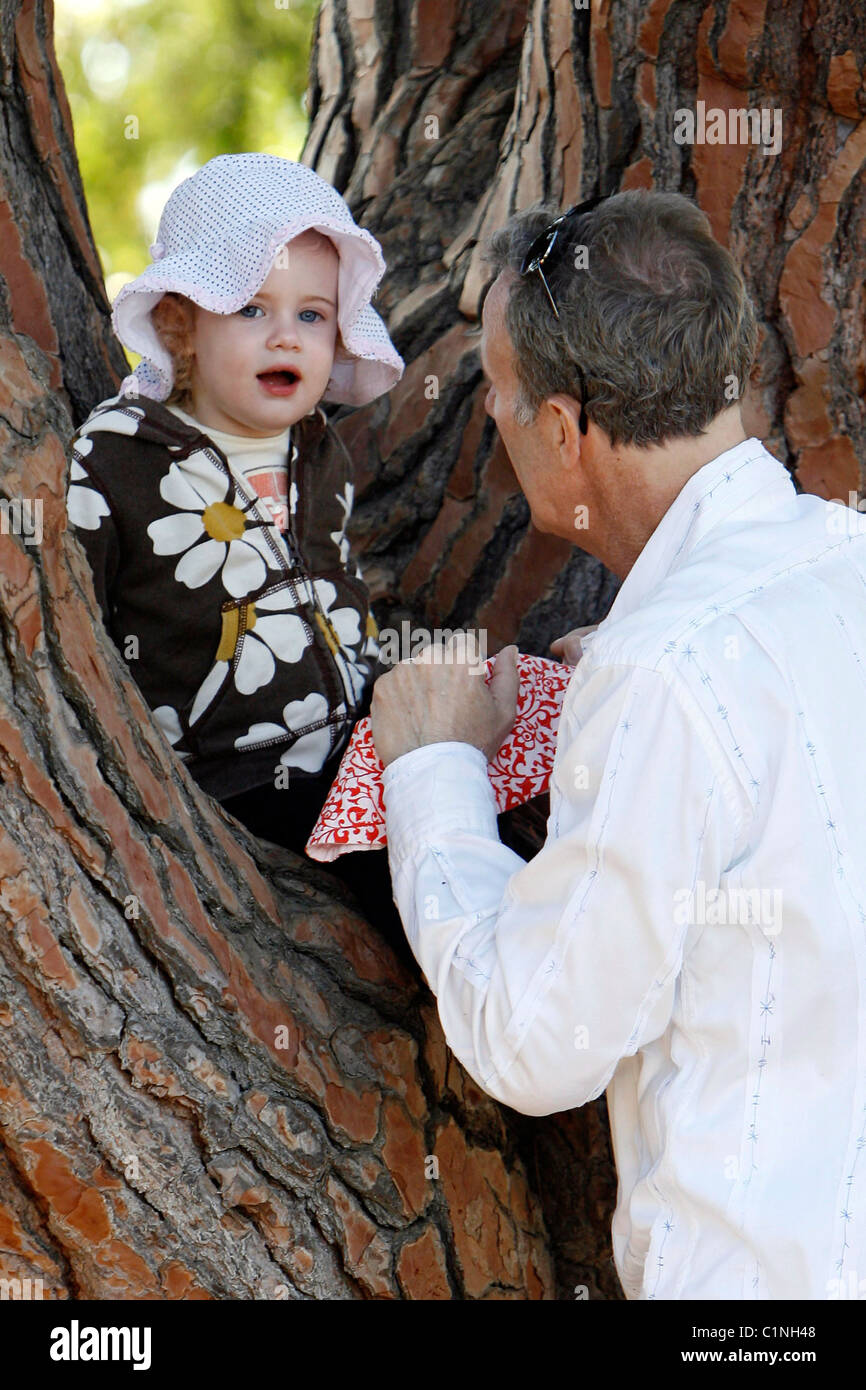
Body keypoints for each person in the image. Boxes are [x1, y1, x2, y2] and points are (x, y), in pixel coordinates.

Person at [369, 188, 866, 1300]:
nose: (491, 423)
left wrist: (431, 768)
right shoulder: (840, 561)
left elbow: (538, 1040)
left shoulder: (663, 673)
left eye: (496, 398)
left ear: (561, 429)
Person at [66, 153, 407, 936]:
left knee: (477, 761)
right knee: (407, 844)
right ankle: (487, 971)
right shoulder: (120, 453)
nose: (286, 336)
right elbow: (70, 605)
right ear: (182, 324)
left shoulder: (317, 450)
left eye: (313, 315)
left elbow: (337, 591)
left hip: (356, 741)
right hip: (244, 771)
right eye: (252, 309)